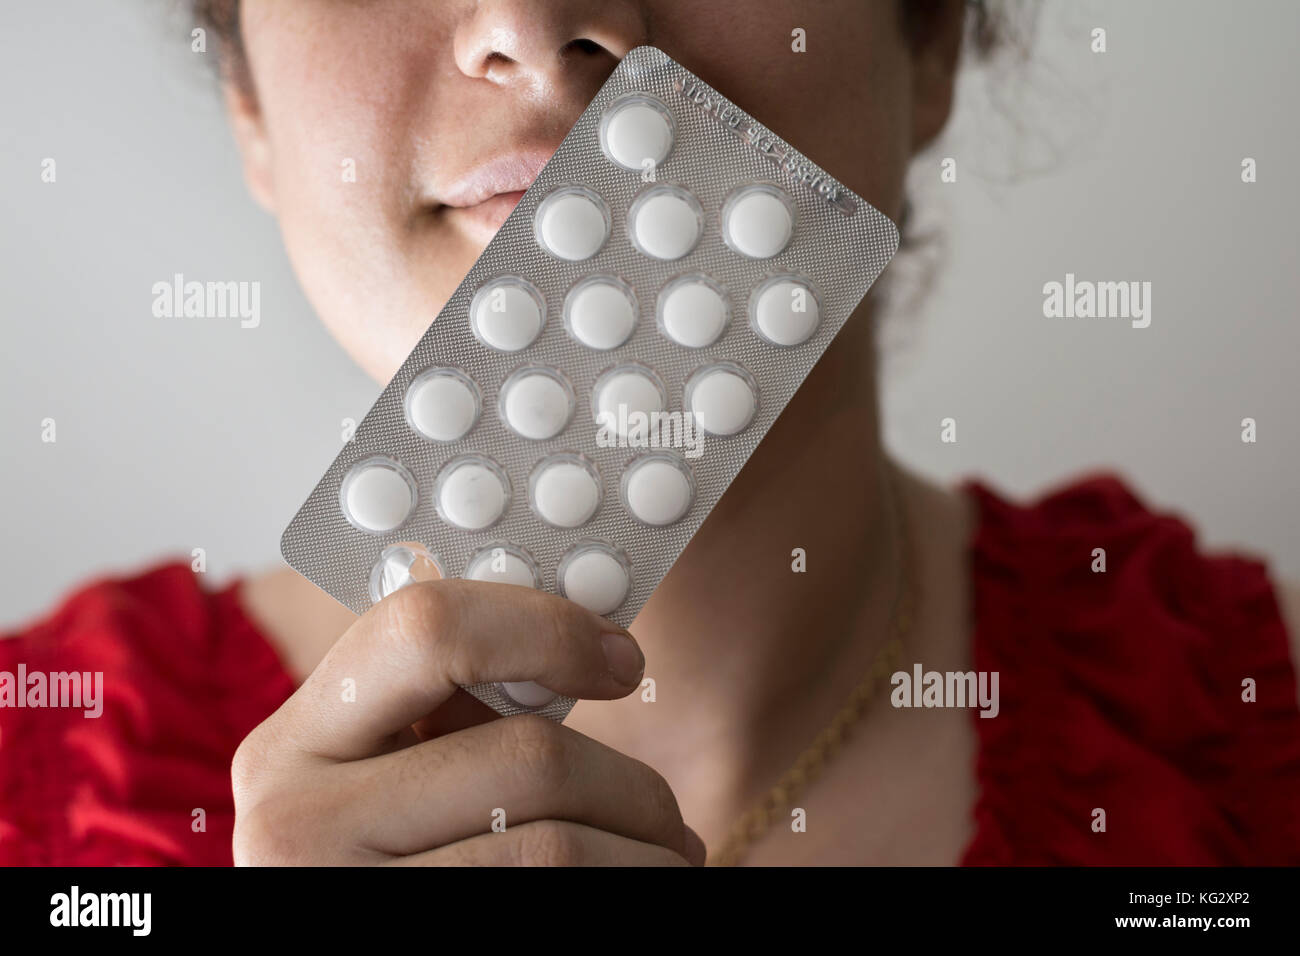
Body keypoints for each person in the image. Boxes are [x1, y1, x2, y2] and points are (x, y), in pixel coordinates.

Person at [2, 0, 1298, 867]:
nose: (531, 22)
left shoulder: (1240, 747)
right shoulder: (43, 793)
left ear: (933, 42)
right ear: (253, 115)